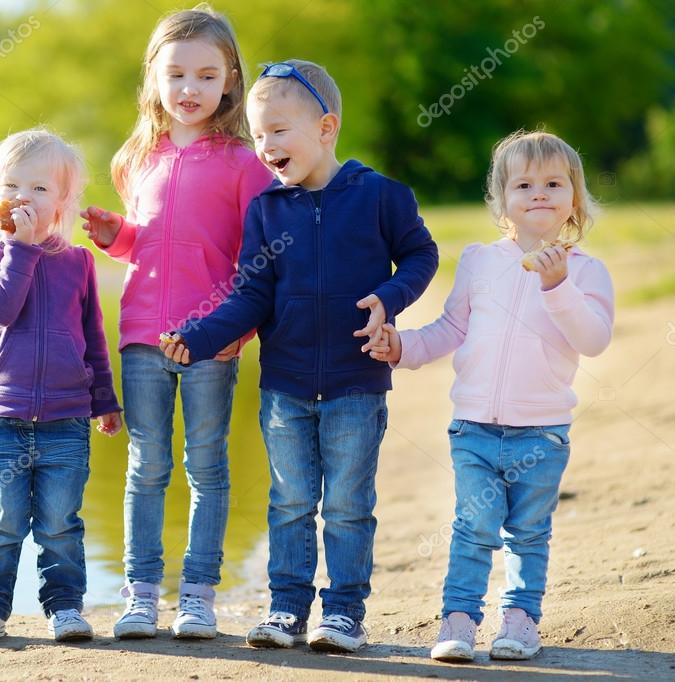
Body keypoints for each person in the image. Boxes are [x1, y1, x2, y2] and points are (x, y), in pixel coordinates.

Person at [162, 59, 438, 653]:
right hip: (284, 386)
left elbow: (421, 256)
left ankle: (343, 613)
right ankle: (286, 608)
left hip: (356, 386)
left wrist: (389, 299)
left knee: (345, 505)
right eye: (258, 135)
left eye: (278, 131)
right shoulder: (267, 211)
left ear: (326, 128)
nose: (266, 146)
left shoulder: (381, 196)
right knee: (289, 501)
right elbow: (252, 295)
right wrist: (202, 336)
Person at [371, 130, 614, 662]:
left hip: (543, 431)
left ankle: (520, 621)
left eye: (554, 183)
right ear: (502, 198)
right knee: (472, 526)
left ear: (574, 196)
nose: (539, 194)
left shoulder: (587, 272)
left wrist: (559, 287)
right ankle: (458, 620)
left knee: (529, 532)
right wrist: (402, 348)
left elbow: (593, 340)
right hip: (474, 427)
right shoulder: (481, 261)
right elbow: (450, 328)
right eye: (523, 184)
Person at [81, 4, 272, 640]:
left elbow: (257, 258)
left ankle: (196, 595)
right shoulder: (138, 158)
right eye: (177, 75)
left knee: (208, 467)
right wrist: (117, 236)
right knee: (146, 466)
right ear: (155, 80)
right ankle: (140, 595)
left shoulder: (245, 164)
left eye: (207, 75)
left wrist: (233, 331)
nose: (190, 89)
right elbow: (152, 242)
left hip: (210, 340)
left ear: (230, 81)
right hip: (141, 336)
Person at [0, 129, 123, 645]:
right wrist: (19, 250)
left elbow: (93, 334)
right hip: (2, 416)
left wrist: (105, 401)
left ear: (64, 202)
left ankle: (65, 607)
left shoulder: (78, 262)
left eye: (40, 188)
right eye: (12, 186)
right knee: (2, 523)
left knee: (60, 524)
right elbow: (1, 310)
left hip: (67, 418)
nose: (24, 197)